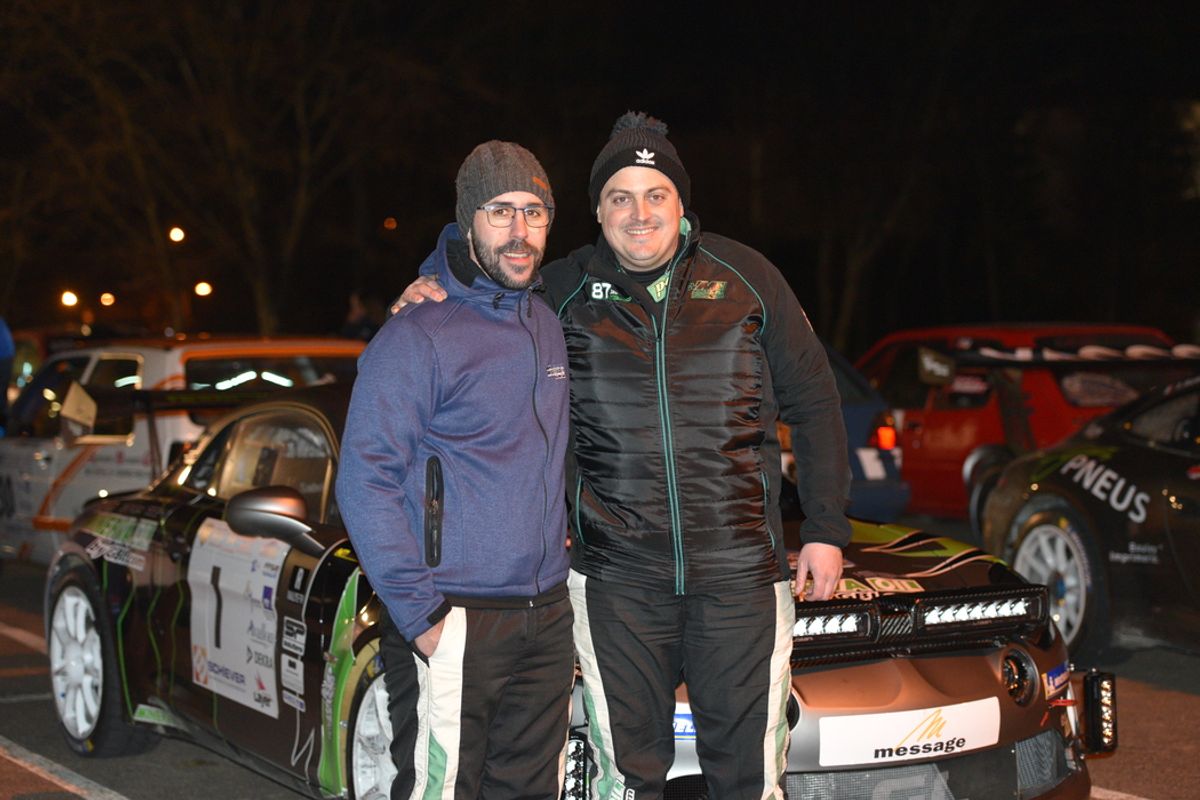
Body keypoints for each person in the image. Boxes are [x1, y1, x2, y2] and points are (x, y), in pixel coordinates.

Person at [400, 113, 851, 799]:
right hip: (615, 583)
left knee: (751, 777)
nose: (639, 213)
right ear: (598, 212)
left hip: (741, 580)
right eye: (619, 197)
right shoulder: (562, 291)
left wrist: (824, 529)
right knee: (628, 779)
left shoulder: (747, 279)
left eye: (655, 194)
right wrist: (429, 276)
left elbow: (816, 404)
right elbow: (482, 279)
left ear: (681, 203)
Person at [337, 141, 574, 800]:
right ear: (469, 221)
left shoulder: (548, 324)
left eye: (535, 211)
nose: (520, 230)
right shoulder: (417, 333)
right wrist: (424, 616)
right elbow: (365, 478)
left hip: (545, 616)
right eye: (501, 211)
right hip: (454, 615)